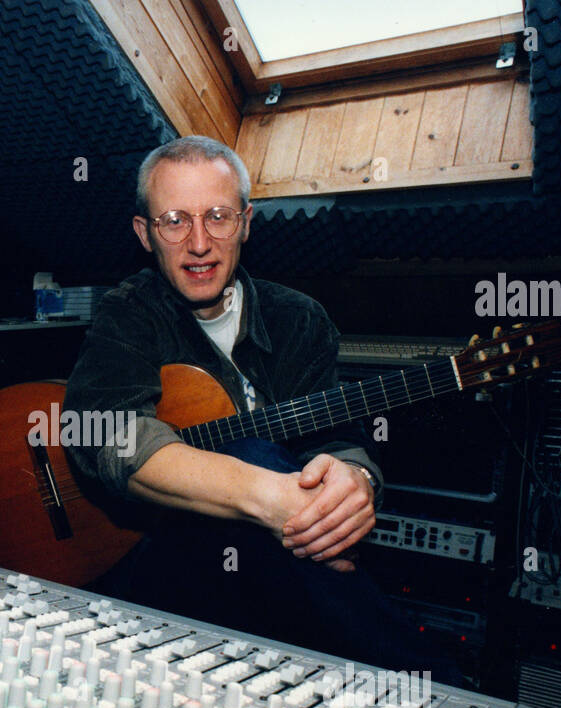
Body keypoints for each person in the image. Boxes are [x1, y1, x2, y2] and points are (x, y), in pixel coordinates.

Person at [63, 136, 455, 680]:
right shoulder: (128, 313)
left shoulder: (302, 319)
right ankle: (431, 683)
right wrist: (272, 500)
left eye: (218, 217)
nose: (199, 243)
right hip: (154, 562)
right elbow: (109, 436)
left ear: (246, 222)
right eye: (174, 221)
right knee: (252, 452)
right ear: (145, 234)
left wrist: (354, 486)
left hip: (272, 572)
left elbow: (334, 440)